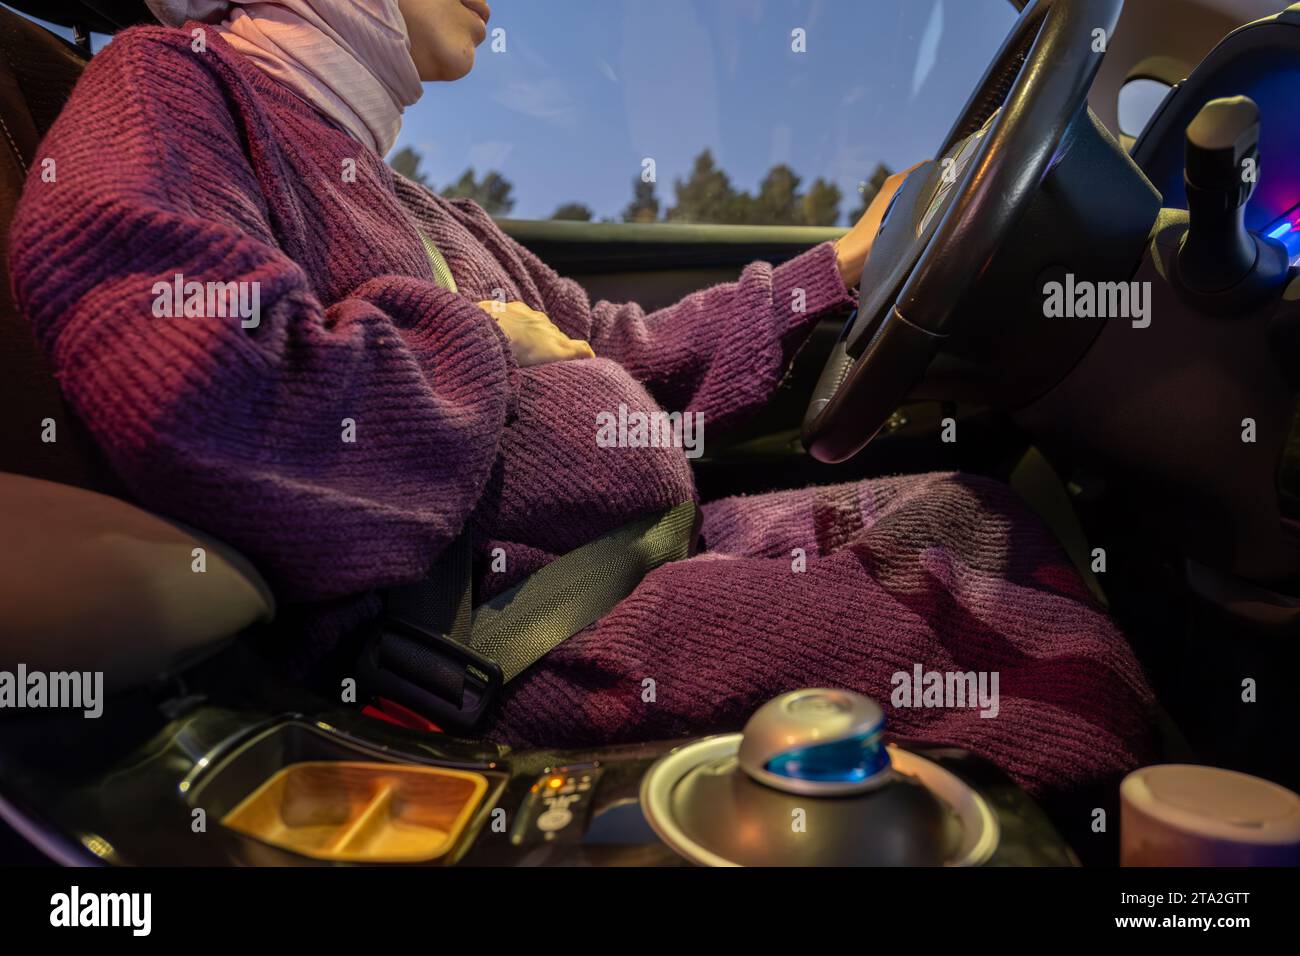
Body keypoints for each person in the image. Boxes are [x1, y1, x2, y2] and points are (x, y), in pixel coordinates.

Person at [9, 0, 1154, 794]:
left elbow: (618, 353)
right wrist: (490, 346)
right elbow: (211, 395)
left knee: (973, 517)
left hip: (636, 559)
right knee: (1011, 660)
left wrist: (839, 272)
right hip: (493, 648)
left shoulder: (416, 202)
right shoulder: (167, 87)